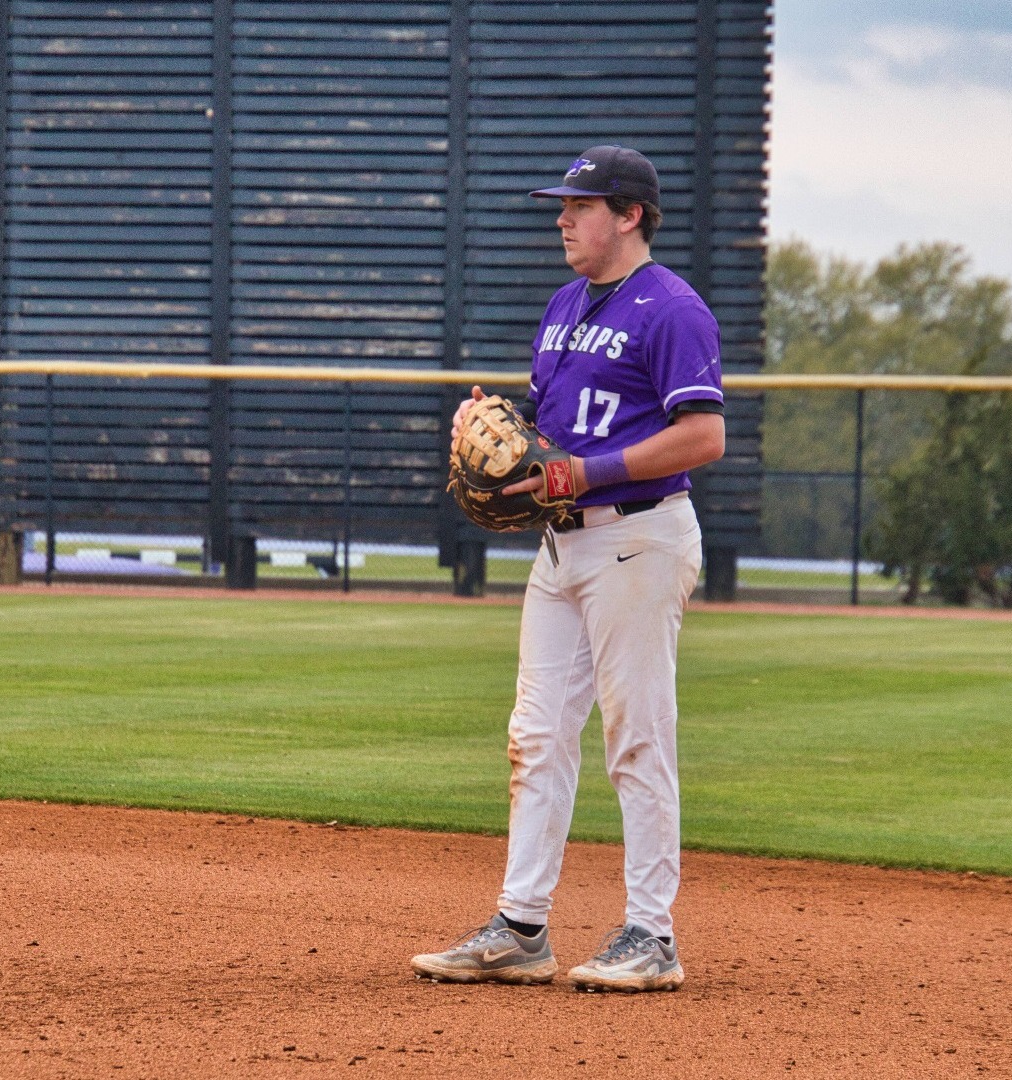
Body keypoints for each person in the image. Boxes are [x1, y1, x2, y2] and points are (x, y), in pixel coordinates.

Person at [412, 145, 725, 993]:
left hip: (639, 538)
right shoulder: (563, 304)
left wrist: (586, 473)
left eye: (580, 206)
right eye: (563, 206)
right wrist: (495, 430)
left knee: (637, 737)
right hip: (562, 543)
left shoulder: (673, 309)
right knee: (537, 733)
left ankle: (652, 936)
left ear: (630, 215)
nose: (562, 219)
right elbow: (550, 430)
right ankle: (520, 929)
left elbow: (704, 436)